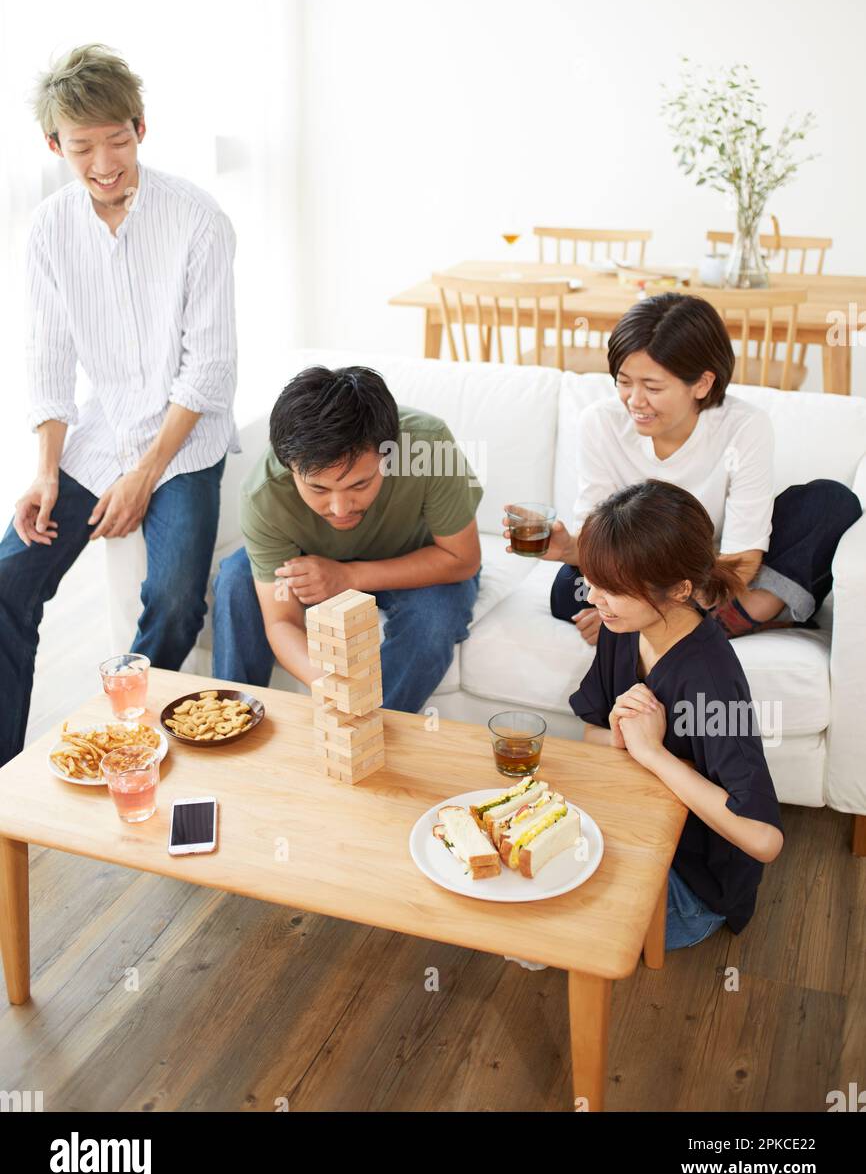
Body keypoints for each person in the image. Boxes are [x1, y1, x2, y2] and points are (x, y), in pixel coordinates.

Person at [0, 44, 238, 767]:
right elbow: (48, 362)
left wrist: (144, 475)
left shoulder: (198, 220)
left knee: (171, 601)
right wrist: (46, 471)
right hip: (98, 438)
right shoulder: (48, 230)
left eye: (117, 140)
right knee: (7, 583)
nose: (104, 163)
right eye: (82, 148)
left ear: (141, 128)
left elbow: (210, 370)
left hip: (183, 447)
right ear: (54, 147)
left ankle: (124, 742)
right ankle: (7, 775)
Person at [538, 293, 861, 644]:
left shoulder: (744, 426)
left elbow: (743, 557)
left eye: (653, 387)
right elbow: (599, 541)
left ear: (702, 384)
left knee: (830, 502)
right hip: (637, 569)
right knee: (567, 591)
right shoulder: (600, 423)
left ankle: (713, 617)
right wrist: (569, 547)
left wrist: (641, 614)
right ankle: (738, 618)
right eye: (624, 381)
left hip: (716, 572)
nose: (635, 401)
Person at [571, 479, 784, 950]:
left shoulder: (710, 681)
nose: (593, 599)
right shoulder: (623, 625)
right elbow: (588, 732)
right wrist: (621, 739)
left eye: (612, 589)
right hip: (638, 831)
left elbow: (764, 839)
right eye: (594, 583)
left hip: (692, 889)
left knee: (544, 911)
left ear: (681, 589)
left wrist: (651, 753)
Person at [213, 365, 482, 712]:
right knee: (236, 578)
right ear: (288, 466)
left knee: (434, 619)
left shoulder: (428, 447)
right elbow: (281, 622)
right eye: (318, 489)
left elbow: (462, 559)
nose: (340, 508)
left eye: (360, 484)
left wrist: (349, 577)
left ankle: (375, 727)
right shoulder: (263, 494)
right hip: (312, 562)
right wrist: (331, 686)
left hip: (420, 561)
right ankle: (232, 723)